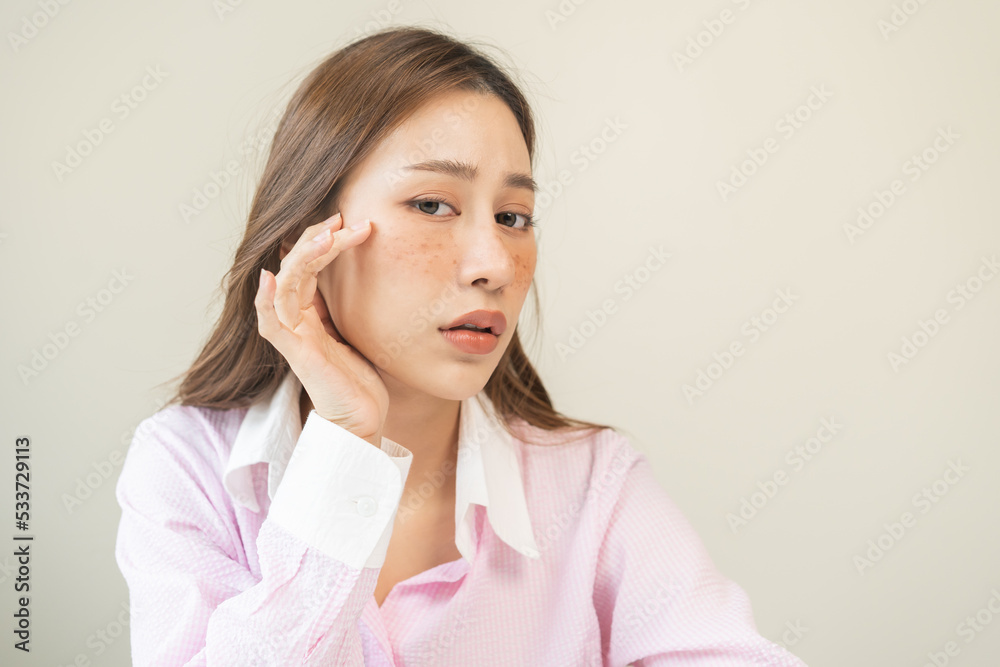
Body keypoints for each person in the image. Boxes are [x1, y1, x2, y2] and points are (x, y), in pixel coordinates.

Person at [114, 25, 809, 666]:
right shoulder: (186, 465)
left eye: (514, 217)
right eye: (433, 204)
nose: (495, 264)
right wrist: (346, 441)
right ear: (313, 231)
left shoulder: (593, 481)